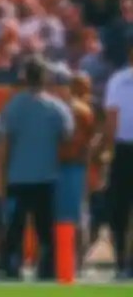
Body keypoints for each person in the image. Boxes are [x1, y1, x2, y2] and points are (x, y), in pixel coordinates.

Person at [0, 56, 73, 280]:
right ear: (45, 77)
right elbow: (67, 137)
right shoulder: (56, 107)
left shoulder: (13, 106)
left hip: (18, 177)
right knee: (45, 228)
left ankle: (12, 267)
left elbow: (5, 143)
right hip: (46, 176)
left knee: (15, 227)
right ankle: (47, 269)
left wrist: (2, 176)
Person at [53, 68, 95, 273]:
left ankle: (77, 262)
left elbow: (85, 143)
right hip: (55, 168)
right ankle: (61, 262)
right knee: (59, 218)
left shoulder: (80, 111)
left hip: (73, 168)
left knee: (75, 217)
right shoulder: (53, 108)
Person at [104, 44, 133, 277]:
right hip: (123, 149)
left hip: (123, 151)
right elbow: (111, 119)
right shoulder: (118, 80)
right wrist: (109, 150)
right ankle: (122, 260)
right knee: (120, 208)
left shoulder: (117, 80)